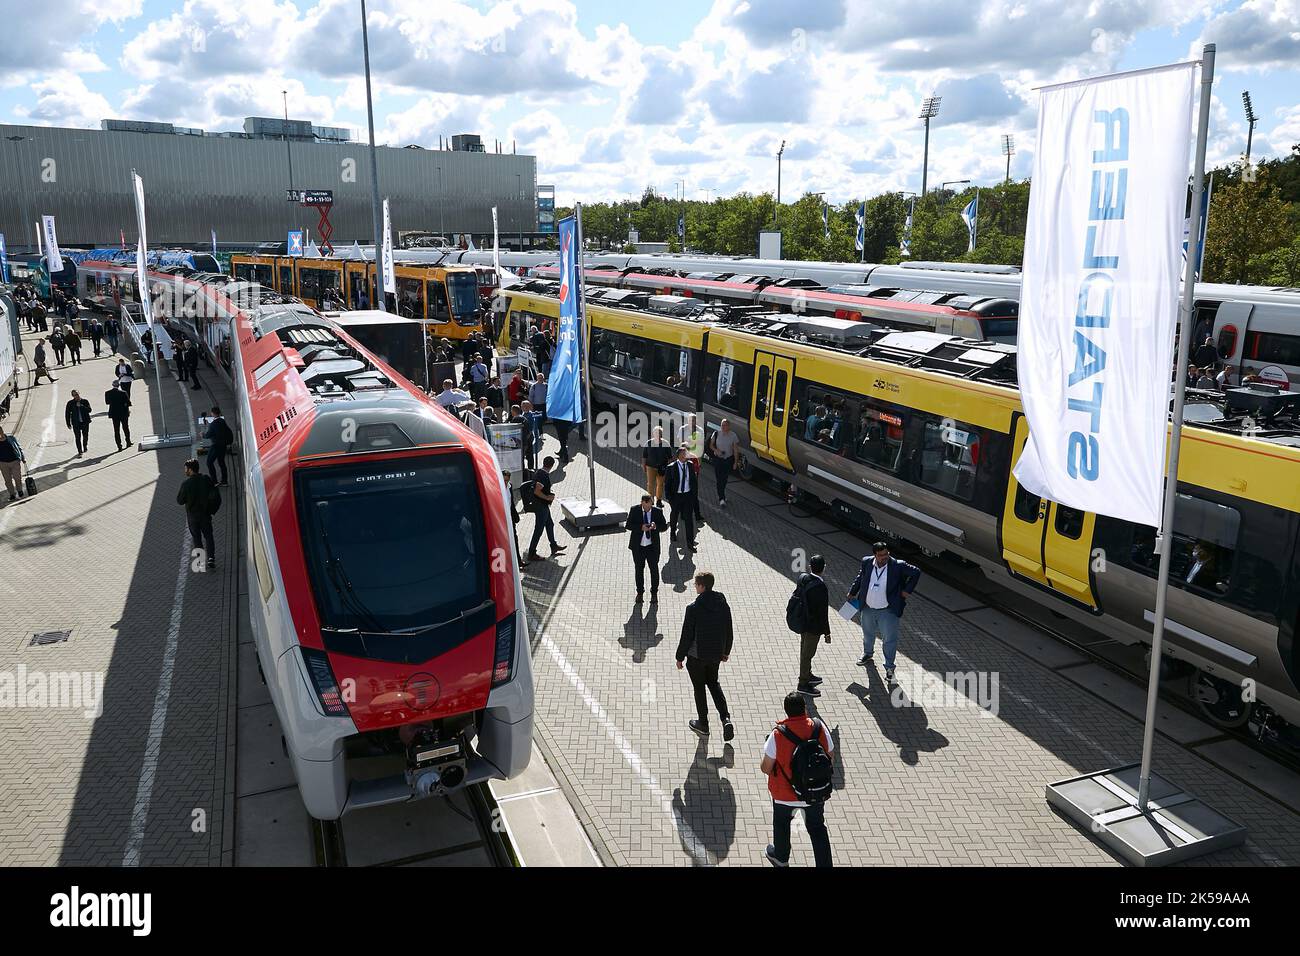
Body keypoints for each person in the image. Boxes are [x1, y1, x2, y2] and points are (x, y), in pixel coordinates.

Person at [761, 692, 834, 868]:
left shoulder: (777, 735)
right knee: (817, 828)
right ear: (805, 709)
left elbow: (766, 768)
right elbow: (830, 756)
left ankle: (780, 857)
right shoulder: (819, 728)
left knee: (781, 824)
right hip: (814, 792)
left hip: (783, 794)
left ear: (786, 712)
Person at [848, 542, 921, 684]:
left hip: (888, 611)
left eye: (886, 553)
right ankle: (867, 654)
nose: (885, 557)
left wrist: (906, 591)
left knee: (889, 640)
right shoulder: (867, 562)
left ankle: (889, 668)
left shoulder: (898, 565)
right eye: (881, 555)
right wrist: (852, 592)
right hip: (868, 608)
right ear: (875, 554)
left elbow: (916, 572)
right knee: (868, 634)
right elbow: (861, 577)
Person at [675, 570, 734, 740]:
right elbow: (729, 628)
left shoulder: (693, 608)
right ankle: (725, 718)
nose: (694, 587)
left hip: (697, 657)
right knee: (714, 683)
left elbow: (686, 635)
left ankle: (703, 724)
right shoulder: (722, 602)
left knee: (699, 688)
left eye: (695, 584)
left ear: (702, 586)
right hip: (716, 655)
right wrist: (726, 651)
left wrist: (679, 657)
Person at [795, 555, 832, 697]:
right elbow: (823, 612)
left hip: (803, 622)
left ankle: (808, 675)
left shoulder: (803, 578)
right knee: (807, 655)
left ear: (810, 567)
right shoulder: (821, 587)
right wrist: (827, 632)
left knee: (804, 651)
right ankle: (803, 684)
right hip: (813, 627)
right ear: (824, 568)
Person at [177, 458, 219, 571]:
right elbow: (215, 494)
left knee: (197, 538)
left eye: (186, 469)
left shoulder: (186, 484)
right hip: (205, 514)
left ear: (190, 470)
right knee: (208, 536)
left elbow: (180, 500)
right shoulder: (206, 479)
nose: (185, 471)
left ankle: (200, 563)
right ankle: (211, 558)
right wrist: (212, 509)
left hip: (193, 517)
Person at [626, 493, 667, 602]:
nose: (649, 508)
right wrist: (641, 527)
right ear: (642, 503)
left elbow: (664, 526)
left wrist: (655, 526)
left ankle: (654, 593)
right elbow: (628, 525)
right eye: (646, 505)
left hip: (652, 547)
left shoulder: (657, 511)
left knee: (654, 570)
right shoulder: (634, 510)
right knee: (639, 570)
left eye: (650, 505)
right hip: (638, 547)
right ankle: (640, 593)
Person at [526, 456, 566, 562]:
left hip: (542, 505)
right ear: (552, 465)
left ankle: (553, 545)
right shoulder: (543, 476)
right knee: (538, 529)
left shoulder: (539, 472)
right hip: (541, 506)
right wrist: (547, 497)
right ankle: (531, 553)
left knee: (549, 524)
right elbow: (537, 491)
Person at [665, 445, 698, 552]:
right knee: (674, 515)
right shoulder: (671, 467)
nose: (686, 456)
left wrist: (694, 495)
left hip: (687, 496)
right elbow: (667, 484)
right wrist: (670, 498)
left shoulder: (690, 465)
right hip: (676, 496)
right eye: (684, 454)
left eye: (686, 454)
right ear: (678, 456)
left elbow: (694, 481)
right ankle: (672, 532)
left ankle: (690, 543)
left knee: (689, 519)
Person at [709, 418, 741, 508]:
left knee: (725, 479)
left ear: (729, 426)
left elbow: (735, 450)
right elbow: (711, 445)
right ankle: (721, 498)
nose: (723, 427)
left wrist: (735, 462)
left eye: (725, 425)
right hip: (718, 460)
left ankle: (722, 495)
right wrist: (716, 450)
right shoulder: (716, 433)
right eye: (722, 425)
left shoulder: (733, 435)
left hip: (728, 460)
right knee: (719, 480)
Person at [641, 426, 673, 506]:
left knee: (660, 484)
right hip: (650, 467)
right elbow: (644, 456)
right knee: (650, 484)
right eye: (656, 433)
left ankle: (658, 500)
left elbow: (670, 458)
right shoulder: (648, 443)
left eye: (659, 433)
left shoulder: (666, 444)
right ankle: (651, 500)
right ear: (653, 434)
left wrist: (669, 468)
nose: (657, 435)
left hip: (662, 468)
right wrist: (644, 466)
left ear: (661, 434)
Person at [205, 406, 234, 486]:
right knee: (221, 462)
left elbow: (208, 435)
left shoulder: (213, 424)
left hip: (216, 446)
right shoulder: (222, 421)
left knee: (209, 462)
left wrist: (203, 435)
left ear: (212, 413)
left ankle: (214, 481)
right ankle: (224, 481)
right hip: (223, 445)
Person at [0, 426, 26, 502]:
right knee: (7, 480)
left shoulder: (11, 438)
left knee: (17, 477)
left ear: (2, 431)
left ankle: (20, 491)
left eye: (0, 431)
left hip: (14, 461)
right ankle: (12, 494)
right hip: (3, 463)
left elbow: (18, 447)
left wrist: (23, 457)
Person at [104, 381, 133, 450]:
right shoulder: (123, 393)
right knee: (126, 428)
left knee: (116, 430)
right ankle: (128, 442)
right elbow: (129, 403)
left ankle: (119, 446)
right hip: (123, 413)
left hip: (114, 414)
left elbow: (107, 402)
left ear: (112, 385)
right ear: (119, 385)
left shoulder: (107, 393)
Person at [65, 390, 92, 456]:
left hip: (85, 422)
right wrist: (68, 423)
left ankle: (85, 446)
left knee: (85, 436)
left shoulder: (85, 401)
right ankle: (80, 451)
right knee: (77, 437)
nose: (76, 396)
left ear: (79, 393)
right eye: (74, 395)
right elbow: (67, 414)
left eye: (77, 394)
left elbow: (89, 410)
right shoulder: (70, 403)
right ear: (72, 396)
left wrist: (82, 406)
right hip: (76, 423)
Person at [521, 399, 544, 471]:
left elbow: (531, 427)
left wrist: (528, 435)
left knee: (529, 454)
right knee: (524, 454)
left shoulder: (530, 415)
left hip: (528, 437)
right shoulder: (523, 414)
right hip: (523, 437)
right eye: (523, 406)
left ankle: (531, 469)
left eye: (526, 406)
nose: (524, 407)